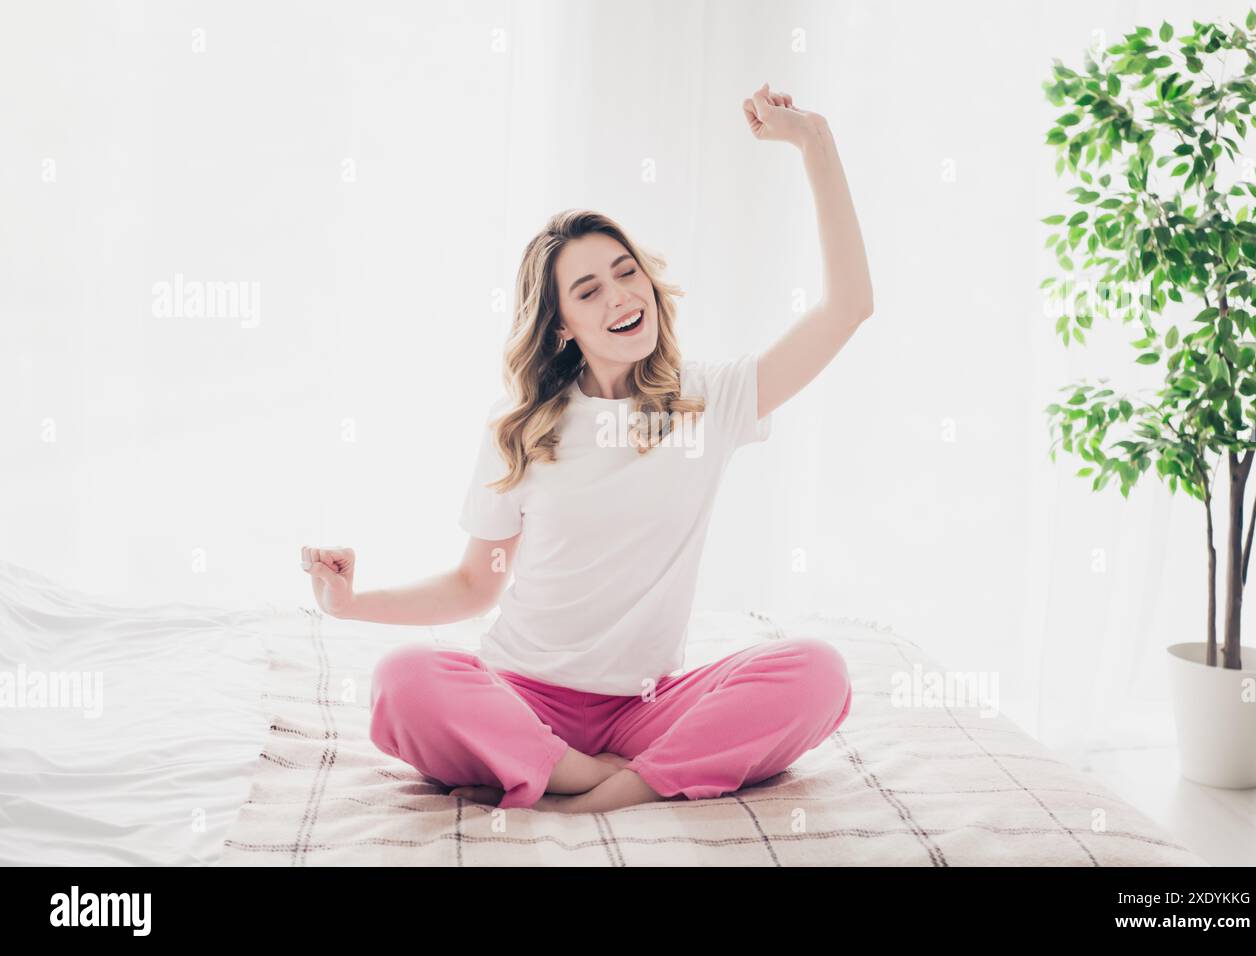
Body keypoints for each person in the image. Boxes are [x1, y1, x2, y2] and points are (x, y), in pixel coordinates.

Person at [301, 83, 874, 813]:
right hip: (521, 696)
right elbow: (476, 587)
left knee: (818, 673)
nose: (620, 298)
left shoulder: (710, 400)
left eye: (627, 273)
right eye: (590, 290)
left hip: (643, 709)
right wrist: (349, 606)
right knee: (405, 681)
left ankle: (580, 784)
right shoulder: (522, 426)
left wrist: (813, 142)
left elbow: (848, 306)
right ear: (563, 323)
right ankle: (583, 775)